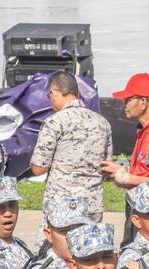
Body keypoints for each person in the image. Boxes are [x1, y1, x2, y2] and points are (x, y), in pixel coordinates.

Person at [29, 71, 112, 223]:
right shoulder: (102, 123)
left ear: (54, 92)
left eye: (49, 96)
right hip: (92, 204)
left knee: (53, 246)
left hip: (61, 205)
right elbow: (107, 169)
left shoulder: (54, 122)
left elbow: (38, 168)